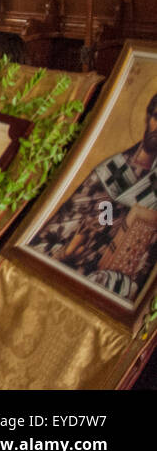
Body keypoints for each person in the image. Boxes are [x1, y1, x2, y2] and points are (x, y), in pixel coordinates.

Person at [30, 92, 157, 302]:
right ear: (147, 117)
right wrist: (64, 252)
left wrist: (119, 282)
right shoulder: (109, 172)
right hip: (62, 282)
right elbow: (44, 241)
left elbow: (144, 271)